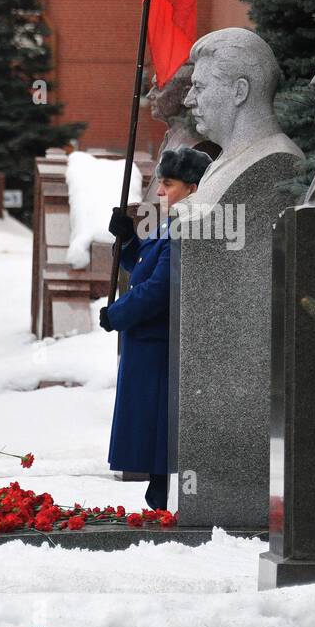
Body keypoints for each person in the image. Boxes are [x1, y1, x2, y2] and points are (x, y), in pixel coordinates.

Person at [101, 147, 212, 511]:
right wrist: (130, 239)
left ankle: (162, 503)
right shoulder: (172, 222)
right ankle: (157, 500)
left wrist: (116, 314)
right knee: (150, 437)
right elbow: (146, 265)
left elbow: (159, 289)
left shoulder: (186, 224)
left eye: (168, 184)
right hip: (147, 344)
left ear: (193, 188)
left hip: (158, 347)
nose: (160, 192)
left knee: (157, 434)